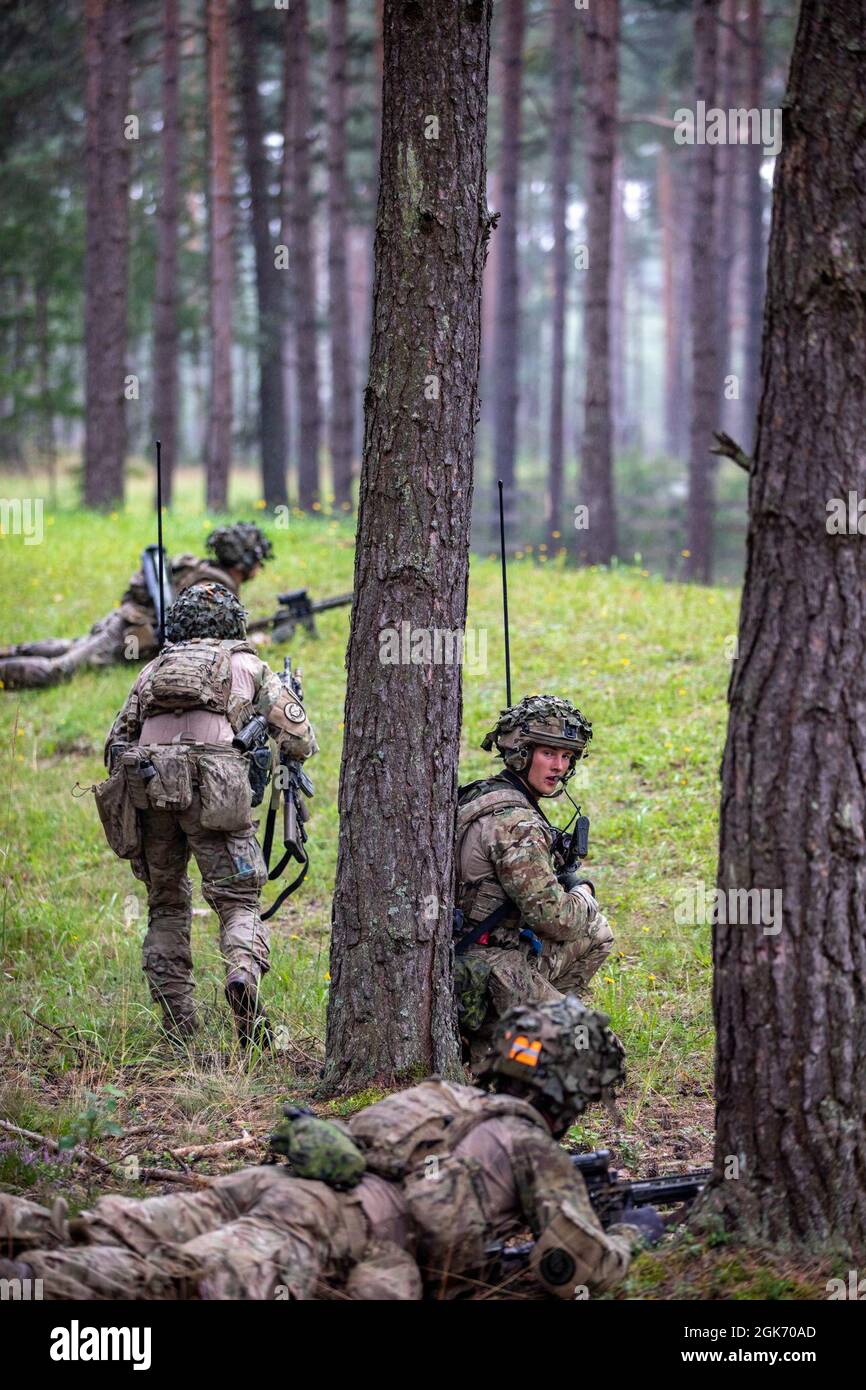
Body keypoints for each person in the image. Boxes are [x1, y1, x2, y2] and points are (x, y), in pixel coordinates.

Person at [0, 997, 661, 1300]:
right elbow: (573, 1266)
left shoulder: (444, 1097)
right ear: (571, 1091)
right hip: (317, 1224)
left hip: (271, 1184)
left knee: (107, 1225)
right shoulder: (529, 1144)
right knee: (174, 1285)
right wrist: (631, 1236)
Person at [97, 580, 316, 1045]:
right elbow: (301, 741)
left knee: (166, 906)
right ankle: (241, 977)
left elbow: (115, 745)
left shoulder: (154, 668)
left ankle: (178, 1023)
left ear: (180, 624)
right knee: (237, 900)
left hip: (151, 791)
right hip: (217, 799)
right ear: (234, 621)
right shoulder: (248, 665)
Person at [454, 695, 614, 1070]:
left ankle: (528, 1024)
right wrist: (583, 892)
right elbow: (556, 920)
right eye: (549, 753)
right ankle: (510, 1042)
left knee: (598, 934)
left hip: (472, 954)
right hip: (488, 968)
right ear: (521, 753)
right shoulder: (518, 824)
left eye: (567, 757)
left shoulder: (481, 795)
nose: (560, 766)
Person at [0, 522, 273, 690]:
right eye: (258, 560)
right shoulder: (215, 583)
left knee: (72, 646)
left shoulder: (206, 569)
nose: (259, 568)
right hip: (129, 632)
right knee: (59, 671)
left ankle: (12, 651)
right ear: (244, 562)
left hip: (125, 620)